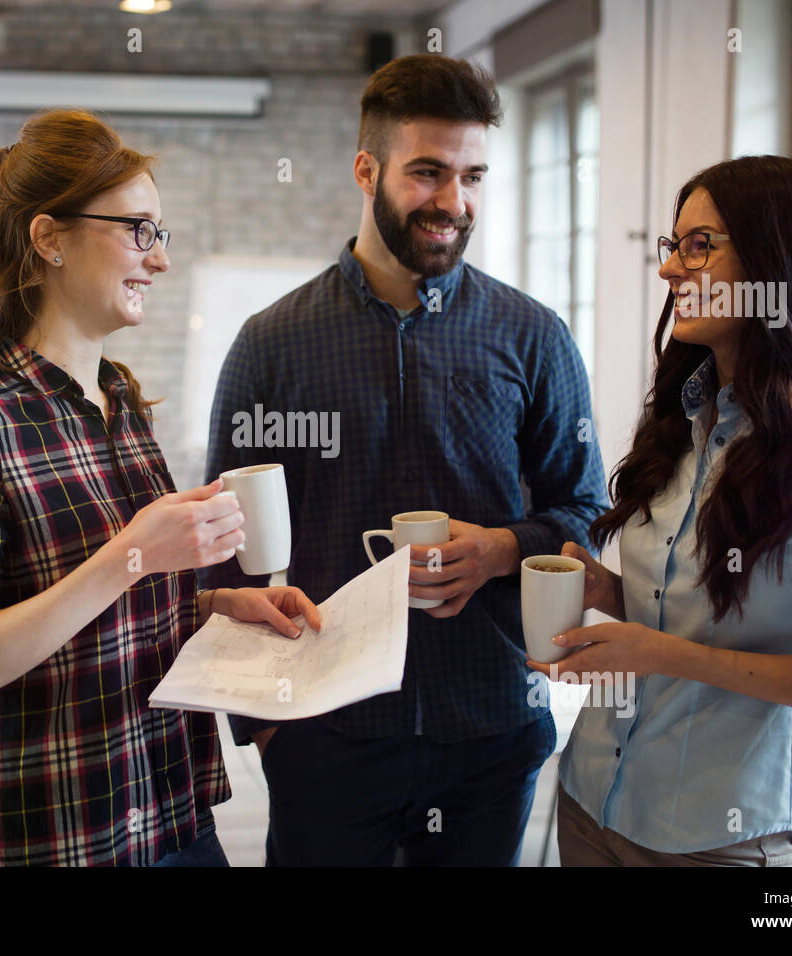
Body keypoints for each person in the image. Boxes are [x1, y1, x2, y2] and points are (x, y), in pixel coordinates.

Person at [200, 54, 608, 866]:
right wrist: (266, 727)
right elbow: (228, 542)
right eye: (428, 172)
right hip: (323, 729)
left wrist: (500, 549)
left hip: (491, 725)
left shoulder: (534, 337)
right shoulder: (272, 343)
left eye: (473, 176)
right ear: (367, 169)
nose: (454, 202)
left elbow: (584, 511)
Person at [0, 108, 322, 867]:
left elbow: (99, 612)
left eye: (160, 235)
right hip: (62, 834)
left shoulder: (118, 401)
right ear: (49, 238)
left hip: (169, 805)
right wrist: (134, 552)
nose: (158, 261)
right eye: (138, 231)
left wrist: (214, 604)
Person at [547, 155, 792, 866]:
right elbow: (683, 611)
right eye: (674, 245)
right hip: (595, 794)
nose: (669, 271)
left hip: (721, 832)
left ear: (778, 263)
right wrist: (613, 595)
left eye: (700, 247)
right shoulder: (683, 413)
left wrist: (667, 655)